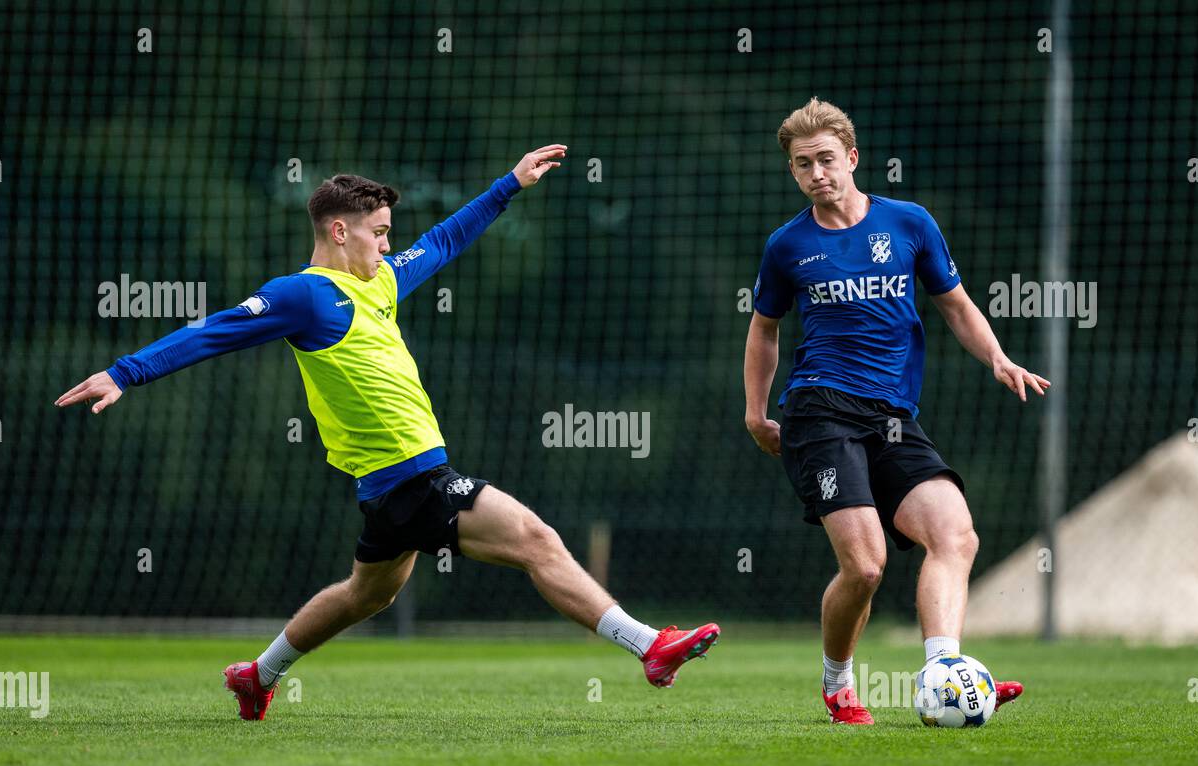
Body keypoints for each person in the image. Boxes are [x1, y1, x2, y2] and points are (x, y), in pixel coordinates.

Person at [56, 146, 718, 720]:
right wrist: (126, 371)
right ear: (339, 232)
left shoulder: (384, 281)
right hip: (414, 479)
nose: (387, 243)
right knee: (536, 539)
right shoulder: (305, 294)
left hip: (388, 488)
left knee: (362, 595)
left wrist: (509, 185)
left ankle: (256, 676)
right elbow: (214, 330)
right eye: (378, 232)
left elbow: (448, 239)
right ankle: (650, 646)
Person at [743, 99, 1046, 724]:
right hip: (820, 411)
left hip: (893, 419)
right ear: (794, 173)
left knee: (956, 534)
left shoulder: (908, 223)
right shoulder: (787, 245)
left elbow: (956, 305)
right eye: (803, 165)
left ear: (852, 159)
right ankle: (837, 681)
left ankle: (945, 672)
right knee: (866, 565)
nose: (817, 173)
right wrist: (755, 411)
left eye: (827, 159)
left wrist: (998, 358)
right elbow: (764, 331)